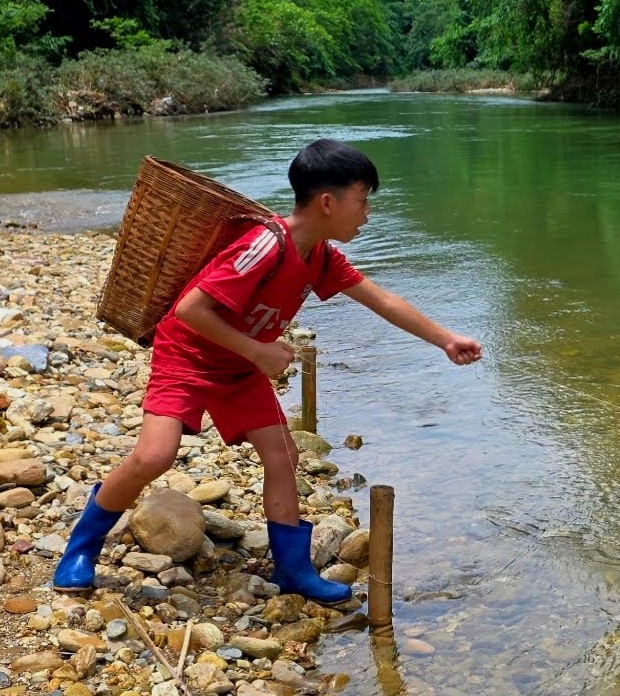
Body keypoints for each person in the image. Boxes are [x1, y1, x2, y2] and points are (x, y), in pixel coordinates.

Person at [53, 138, 483, 603]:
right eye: (361, 201)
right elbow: (191, 310)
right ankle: (81, 548)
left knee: (283, 456)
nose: (366, 214)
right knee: (153, 457)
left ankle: (293, 570)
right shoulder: (264, 245)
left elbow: (380, 300)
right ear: (326, 202)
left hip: (238, 366)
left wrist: (444, 339)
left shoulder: (321, 256)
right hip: (189, 358)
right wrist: (258, 351)